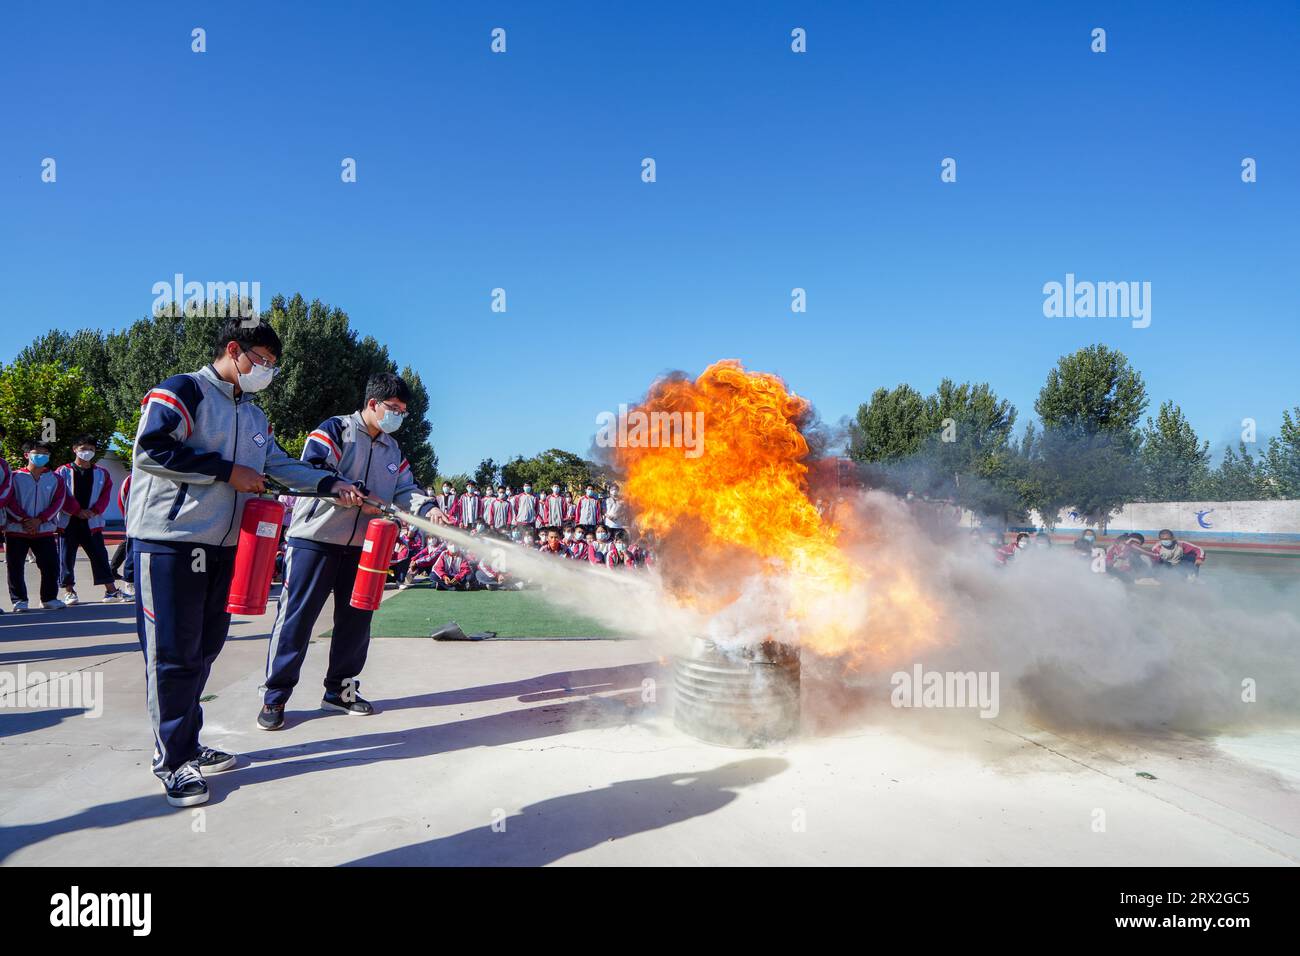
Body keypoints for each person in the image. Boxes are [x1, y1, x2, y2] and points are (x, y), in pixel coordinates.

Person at [131, 318, 361, 807]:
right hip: (169, 543)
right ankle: (171, 762)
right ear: (234, 350)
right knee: (171, 655)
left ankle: (187, 742)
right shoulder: (181, 392)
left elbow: (278, 464)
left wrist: (329, 484)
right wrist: (224, 472)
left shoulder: (254, 416)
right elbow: (150, 451)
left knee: (205, 649)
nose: (267, 372)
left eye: (274, 366)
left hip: (224, 547)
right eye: (262, 361)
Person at [260, 373, 444, 732]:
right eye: (393, 409)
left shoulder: (393, 449)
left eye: (403, 412)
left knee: (356, 621)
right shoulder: (335, 430)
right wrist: (342, 488)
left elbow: (405, 488)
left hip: (362, 547)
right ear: (372, 404)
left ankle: (340, 692)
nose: (398, 417)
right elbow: (313, 468)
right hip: (315, 538)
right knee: (297, 619)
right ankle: (275, 696)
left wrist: (428, 508)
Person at [55, 435, 125, 605]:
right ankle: (69, 591)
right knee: (66, 557)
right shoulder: (62, 471)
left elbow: (105, 496)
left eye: (91, 449)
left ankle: (111, 591)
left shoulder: (101, 473)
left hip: (92, 522)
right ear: (74, 450)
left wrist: (93, 511)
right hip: (68, 521)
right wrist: (76, 511)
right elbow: (60, 494)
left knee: (99, 555)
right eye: (83, 449)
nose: (87, 452)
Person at [4, 441, 66, 611]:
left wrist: (40, 520)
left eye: (45, 453)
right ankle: (19, 601)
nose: (41, 456)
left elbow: (58, 502)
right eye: (37, 452)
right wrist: (24, 519)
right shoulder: (14, 476)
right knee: (15, 567)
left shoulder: (55, 479)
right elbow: (8, 500)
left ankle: (49, 598)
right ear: (27, 455)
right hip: (16, 530)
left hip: (44, 530)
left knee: (50, 566)